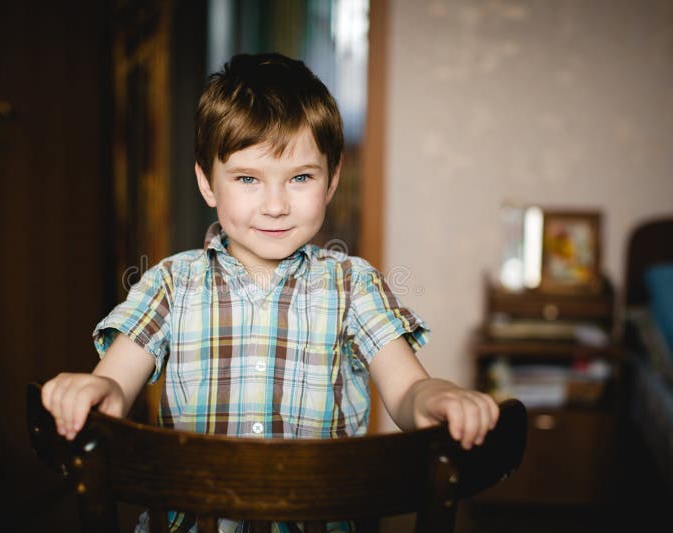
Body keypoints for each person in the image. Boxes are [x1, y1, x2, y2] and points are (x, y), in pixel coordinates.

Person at [41, 52, 499, 533]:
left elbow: (407, 390)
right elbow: (115, 386)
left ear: (332, 181)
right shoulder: (170, 284)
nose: (276, 205)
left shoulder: (353, 286)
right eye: (247, 179)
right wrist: (97, 388)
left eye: (300, 177)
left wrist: (437, 396)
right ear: (207, 182)